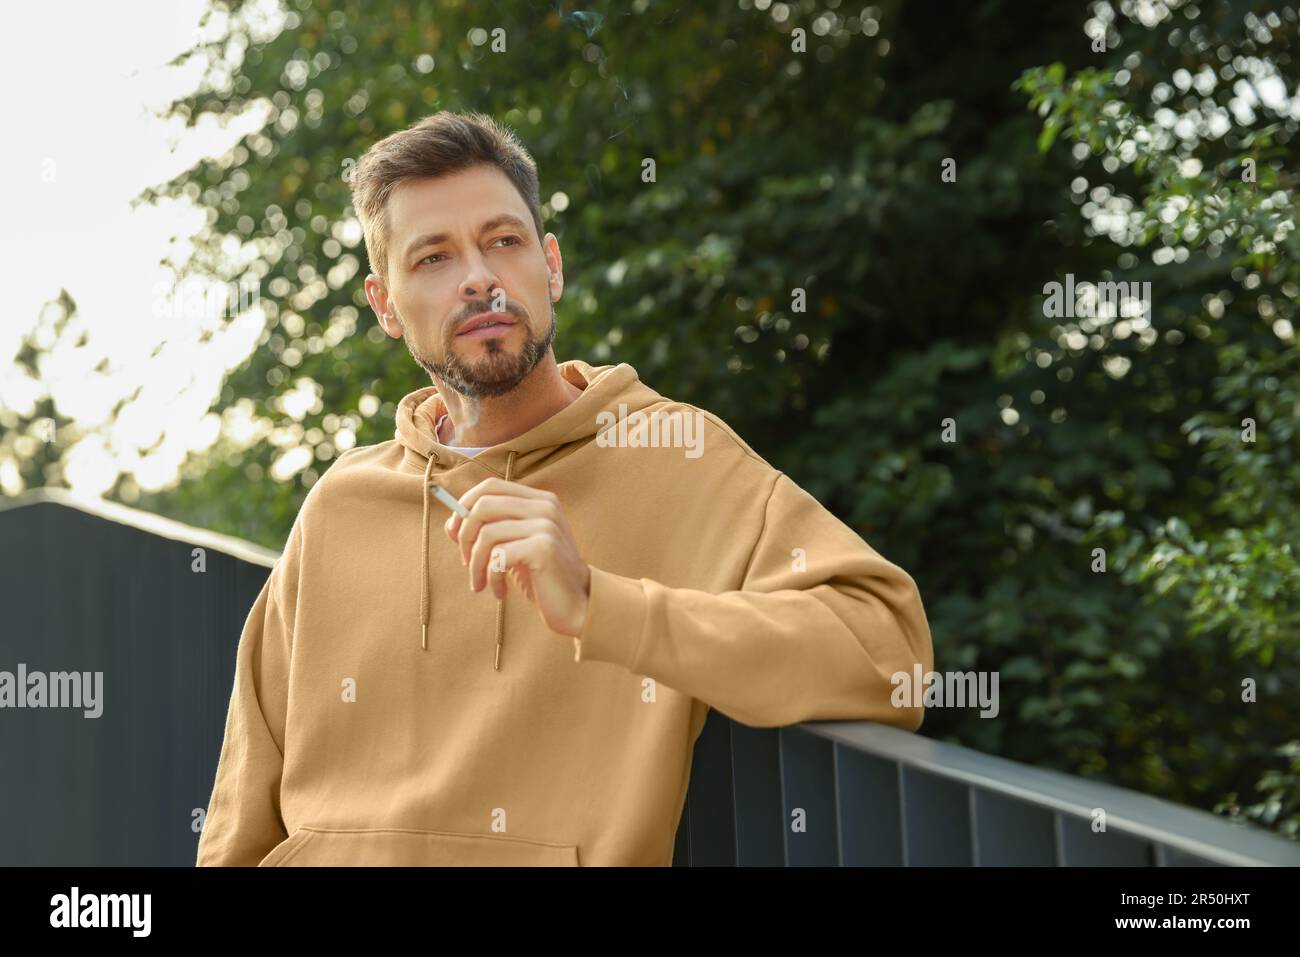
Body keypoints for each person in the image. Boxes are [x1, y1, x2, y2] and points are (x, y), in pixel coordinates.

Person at [196, 111, 934, 867]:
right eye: (433, 258)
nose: (479, 277)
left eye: (503, 241)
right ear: (385, 305)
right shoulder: (339, 508)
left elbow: (890, 655)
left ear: (550, 265)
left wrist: (601, 605)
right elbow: (241, 814)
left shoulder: (674, 457)